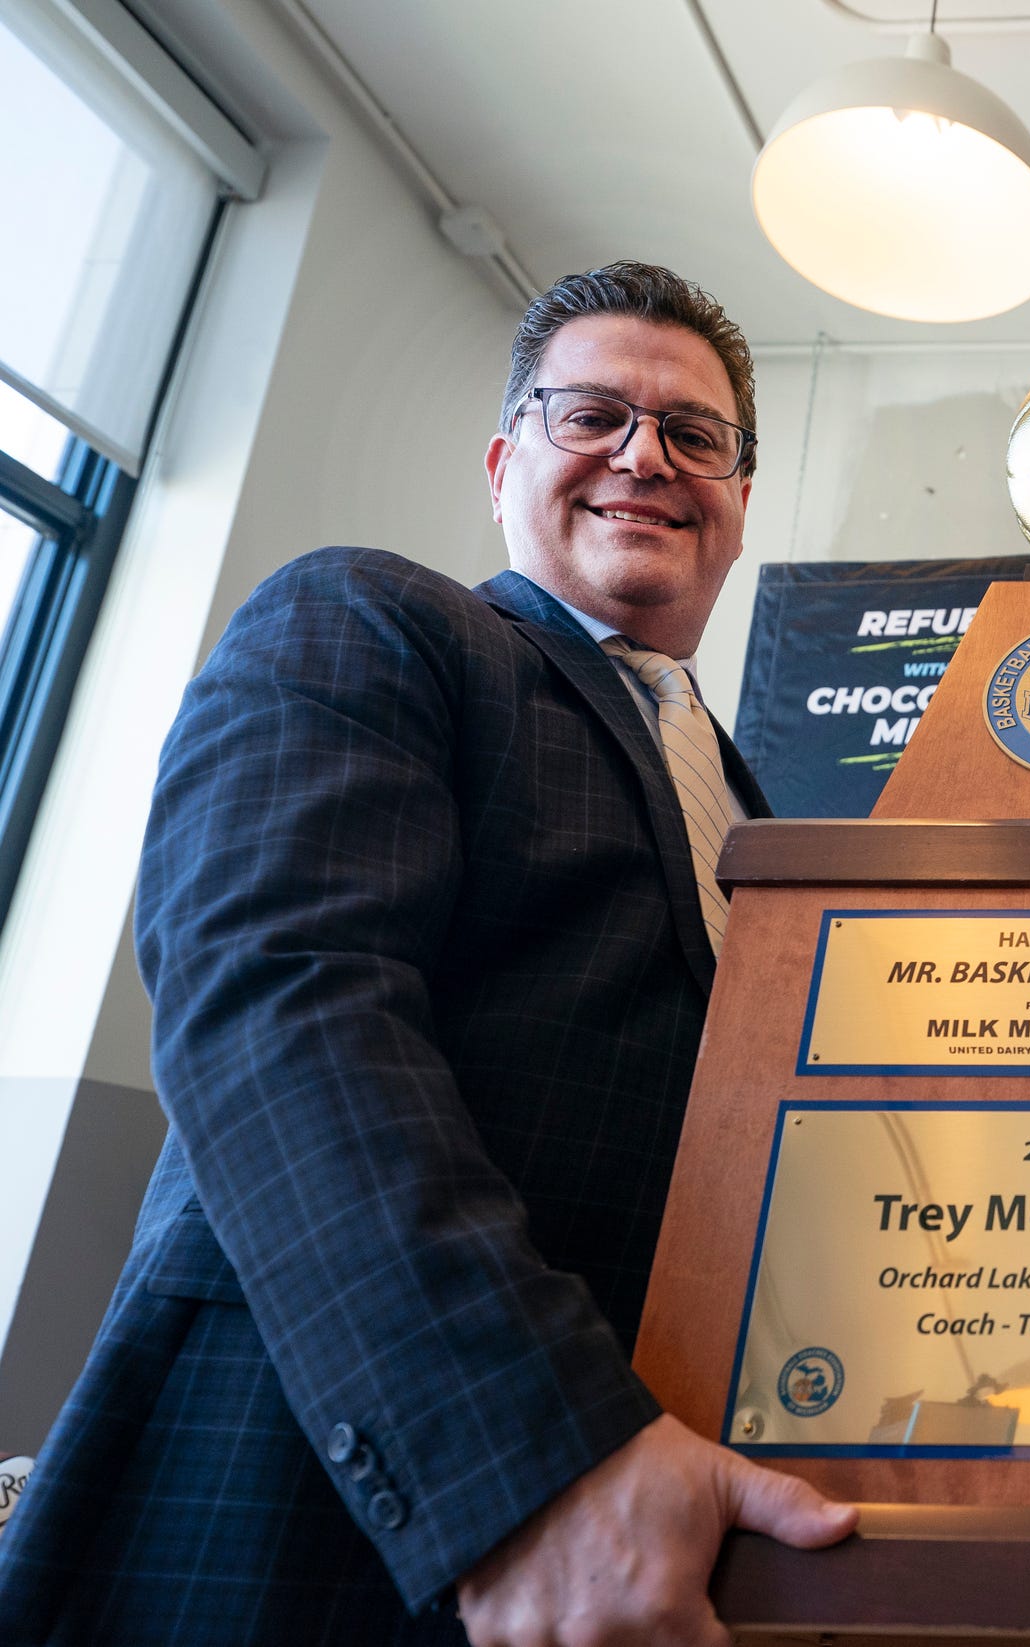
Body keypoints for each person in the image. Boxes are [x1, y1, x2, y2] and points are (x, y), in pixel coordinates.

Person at [0, 262, 855, 1645]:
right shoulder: (374, 620)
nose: (646, 455)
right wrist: (529, 1468)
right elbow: (281, 1002)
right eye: (593, 416)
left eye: (694, 434)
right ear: (507, 463)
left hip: (663, 1518)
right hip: (332, 1506)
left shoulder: (753, 806)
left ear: (739, 498)